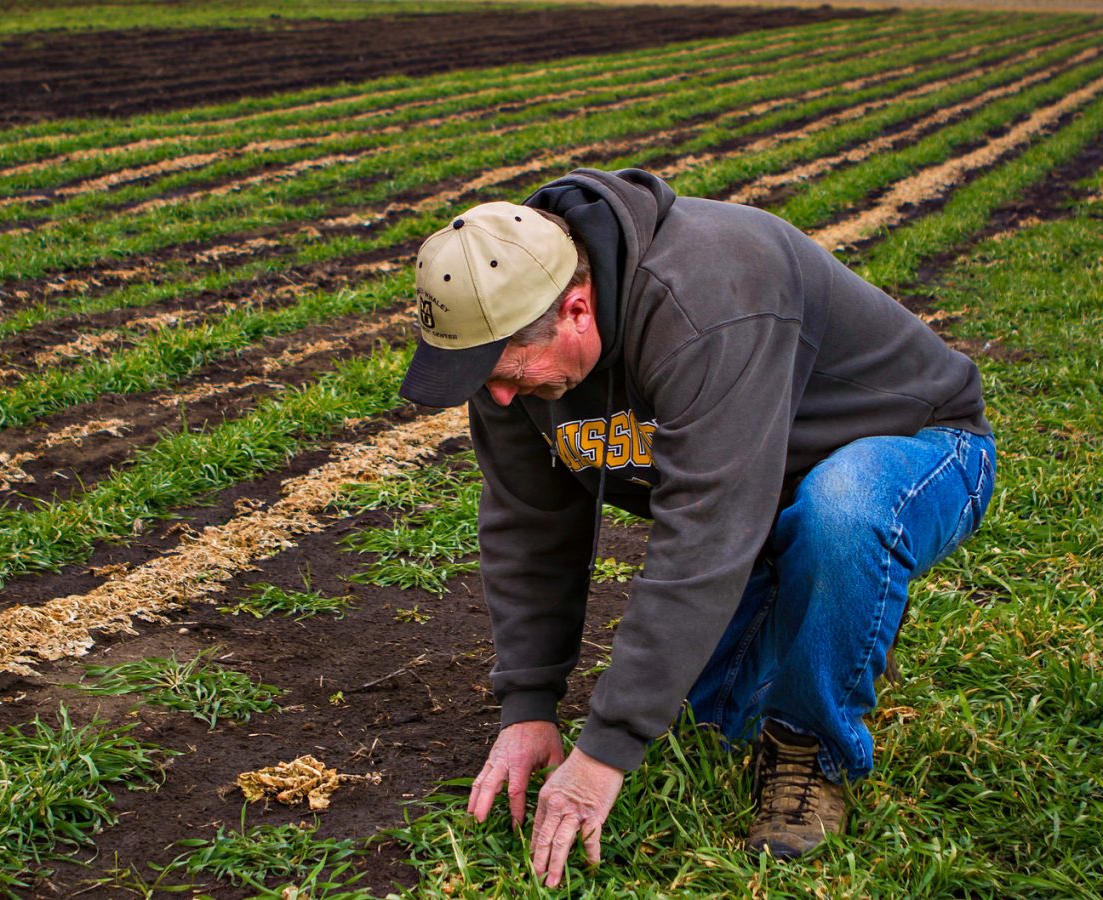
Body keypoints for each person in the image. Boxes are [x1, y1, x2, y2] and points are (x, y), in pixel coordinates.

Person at [399, 168, 995, 882]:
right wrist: (529, 706)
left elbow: (704, 534)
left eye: (507, 371)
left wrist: (604, 752)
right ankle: (827, 604)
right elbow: (530, 524)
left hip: (920, 451)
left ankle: (812, 751)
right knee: (709, 728)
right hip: (762, 490)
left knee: (842, 511)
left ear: (577, 310)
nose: (498, 395)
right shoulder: (510, 357)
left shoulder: (709, 299)